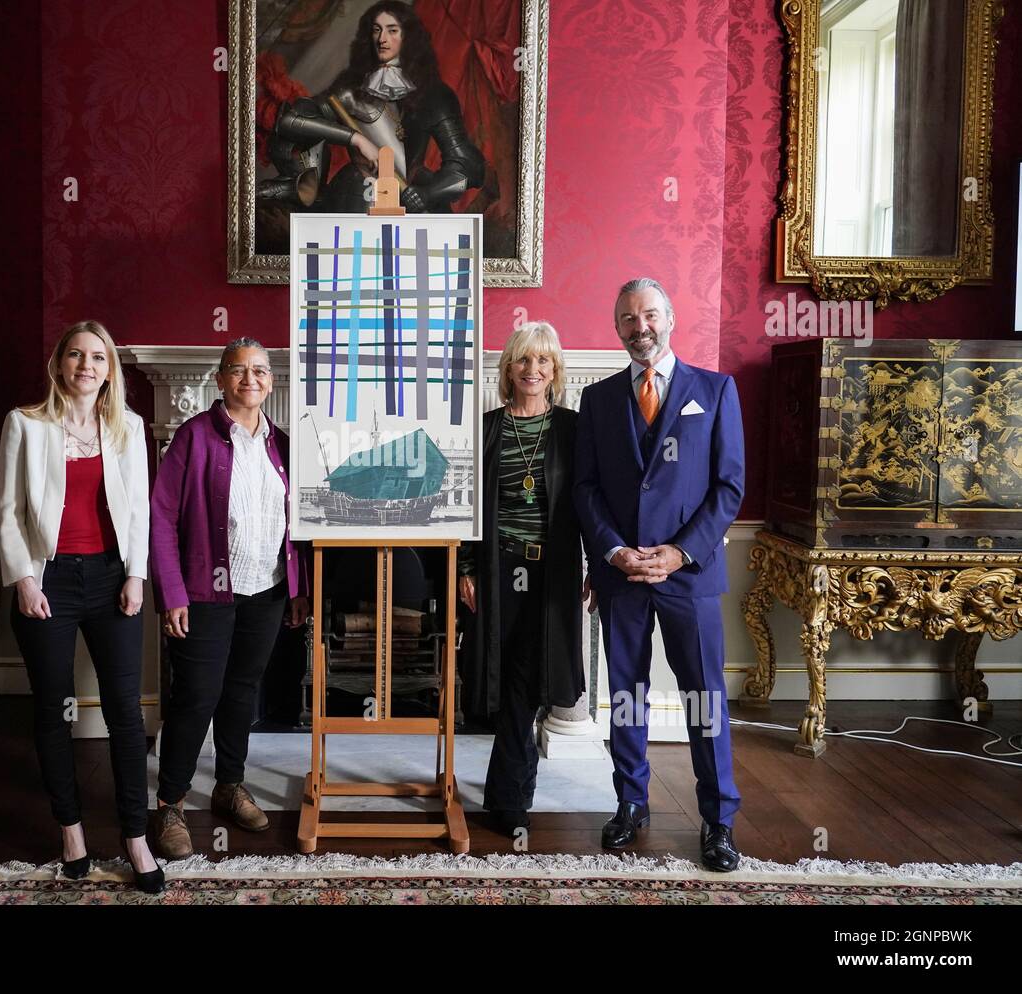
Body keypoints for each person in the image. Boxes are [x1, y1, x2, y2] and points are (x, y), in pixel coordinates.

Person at [573, 278, 746, 872]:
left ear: (670, 319)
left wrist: (678, 552)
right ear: (616, 328)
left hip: (688, 575)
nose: (638, 326)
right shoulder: (596, 401)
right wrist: (614, 552)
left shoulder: (716, 390)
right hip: (622, 573)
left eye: (649, 315)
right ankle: (631, 802)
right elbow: (586, 488)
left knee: (703, 698)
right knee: (626, 696)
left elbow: (729, 488)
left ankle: (718, 820)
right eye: (627, 318)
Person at [0, 320, 163, 893]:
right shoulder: (24, 424)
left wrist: (138, 576)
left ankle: (135, 837)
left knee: (126, 712)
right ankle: (71, 832)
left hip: (113, 580)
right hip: (48, 580)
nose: (87, 365)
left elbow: (138, 510)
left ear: (109, 369)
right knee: (52, 707)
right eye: (76, 355)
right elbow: (9, 512)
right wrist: (22, 579)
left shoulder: (129, 429)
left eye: (98, 357)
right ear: (59, 364)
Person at [149, 338, 310, 859]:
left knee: (243, 691)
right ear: (220, 379)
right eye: (238, 371)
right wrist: (171, 592)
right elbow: (160, 517)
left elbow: (297, 526)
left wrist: (296, 589)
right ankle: (170, 803)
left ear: (270, 381)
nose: (250, 380)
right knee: (197, 695)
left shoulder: (282, 443)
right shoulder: (193, 437)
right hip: (206, 592)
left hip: (265, 591)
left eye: (260, 371)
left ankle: (228, 786)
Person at [459, 322, 592, 836]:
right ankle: (511, 791)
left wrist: (598, 567)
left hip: (552, 571)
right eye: (522, 361)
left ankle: (508, 793)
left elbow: (589, 506)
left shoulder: (574, 430)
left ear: (555, 370)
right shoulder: (486, 428)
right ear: (507, 369)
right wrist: (467, 568)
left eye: (543, 362)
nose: (532, 370)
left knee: (533, 679)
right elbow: (466, 505)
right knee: (506, 673)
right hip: (498, 568)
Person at [266, 1, 485, 213]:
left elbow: (467, 165)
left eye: (392, 31)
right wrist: (356, 139)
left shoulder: (434, 94)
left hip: (412, 195)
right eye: (377, 30)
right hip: (357, 191)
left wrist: (428, 194)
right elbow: (292, 121)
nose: (382, 39)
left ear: (408, 36)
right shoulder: (350, 89)